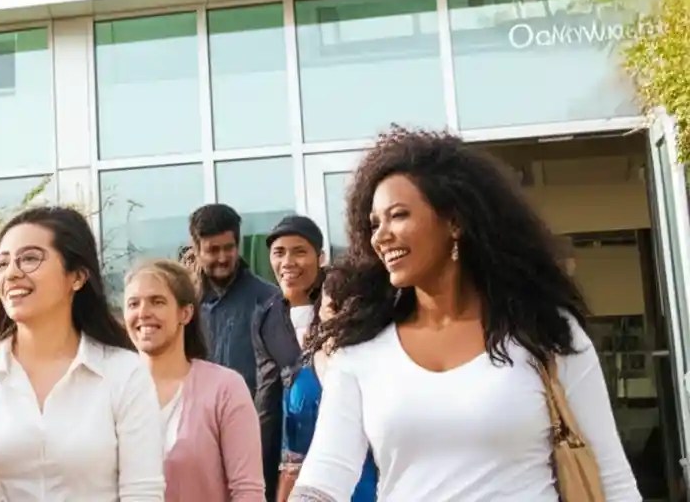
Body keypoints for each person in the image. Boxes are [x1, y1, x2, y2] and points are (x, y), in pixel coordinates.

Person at [290, 127, 640, 501]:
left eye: (398, 216)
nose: (381, 236)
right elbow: (323, 479)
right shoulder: (361, 349)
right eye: (375, 224)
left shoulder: (545, 331)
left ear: (454, 222)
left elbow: (612, 478)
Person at [0, 206, 165, 501]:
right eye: (2, 264)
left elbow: (143, 492)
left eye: (30, 259)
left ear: (76, 276)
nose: (11, 274)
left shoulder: (124, 371)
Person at [124, 259, 264, 502]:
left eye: (157, 301)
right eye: (133, 303)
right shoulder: (112, 390)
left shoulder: (225, 388)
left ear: (185, 313)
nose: (143, 313)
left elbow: (247, 493)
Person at [190, 203, 283, 500]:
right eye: (212, 249)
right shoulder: (184, 305)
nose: (221, 258)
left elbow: (276, 381)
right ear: (196, 248)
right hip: (194, 443)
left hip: (254, 443)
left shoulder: (268, 299)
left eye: (228, 248)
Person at [277, 266, 376, 502]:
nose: (336, 314)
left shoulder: (379, 366)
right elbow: (292, 460)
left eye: (345, 306)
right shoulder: (302, 370)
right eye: (330, 304)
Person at [250, 215, 326, 501]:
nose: (288, 262)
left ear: (321, 257)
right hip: (296, 453)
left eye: (299, 252)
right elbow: (267, 397)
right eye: (279, 253)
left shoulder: (341, 305)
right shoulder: (266, 317)